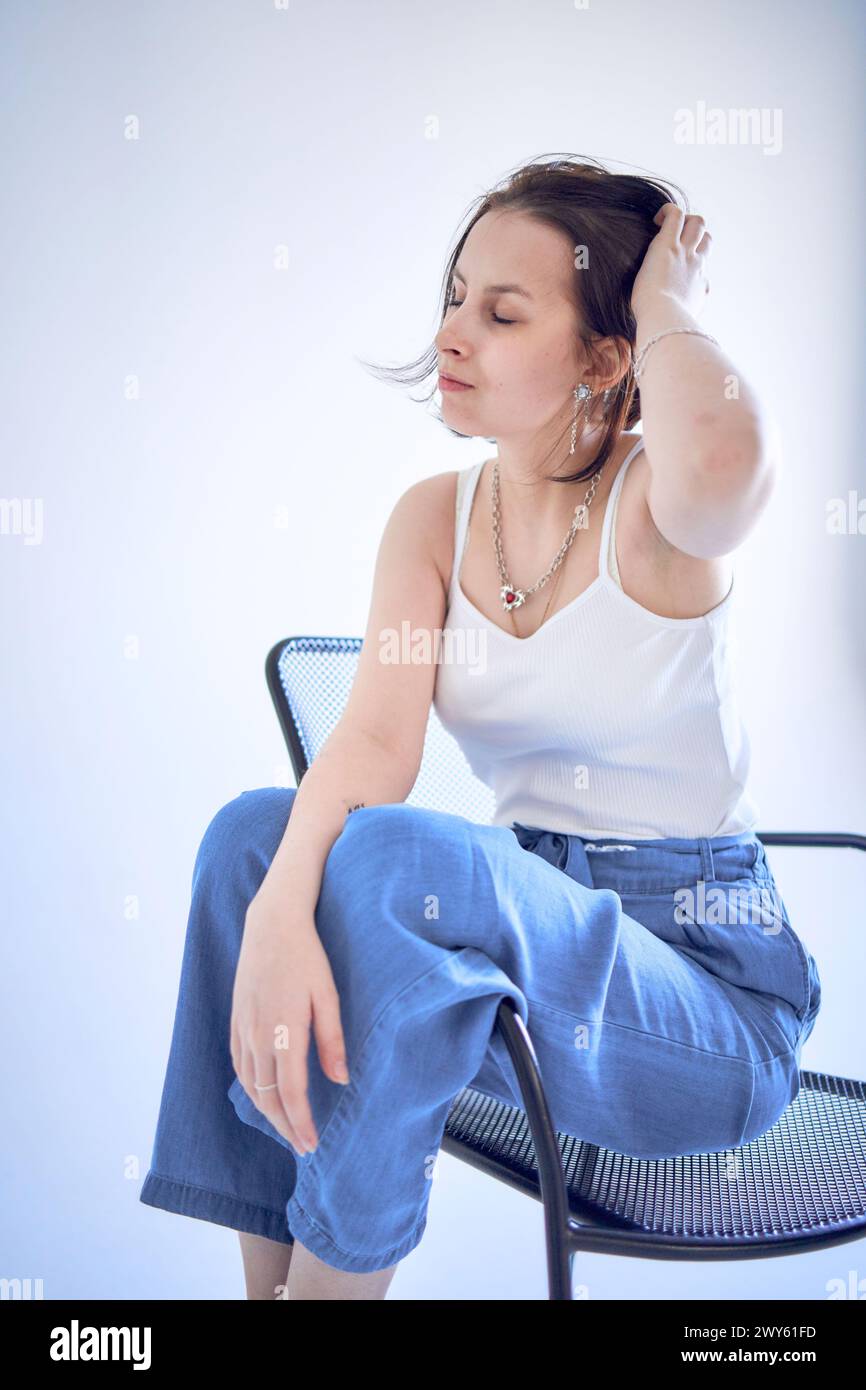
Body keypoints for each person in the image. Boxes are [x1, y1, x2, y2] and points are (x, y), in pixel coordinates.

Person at [139, 155, 821, 1300]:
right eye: (456, 297)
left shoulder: (659, 510)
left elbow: (724, 456)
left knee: (409, 858)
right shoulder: (431, 520)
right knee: (249, 840)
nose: (453, 332)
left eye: (502, 312)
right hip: (512, 964)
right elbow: (369, 750)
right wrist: (272, 914)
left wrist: (663, 303)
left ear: (604, 359)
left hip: (701, 1007)